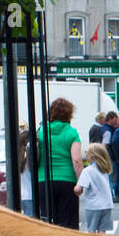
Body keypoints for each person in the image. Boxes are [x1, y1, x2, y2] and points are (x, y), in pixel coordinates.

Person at [36, 97, 84, 228]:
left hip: (44, 179)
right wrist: (82, 182)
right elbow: (76, 160)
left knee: (49, 221)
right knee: (69, 221)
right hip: (67, 180)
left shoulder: (41, 131)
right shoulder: (72, 132)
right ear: (69, 114)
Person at [75, 143, 115, 233]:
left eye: (87, 152)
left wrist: (75, 189)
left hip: (94, 206)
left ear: (93, 156)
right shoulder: (105, 170)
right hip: (107, 205)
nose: (85, 154)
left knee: (91, 231)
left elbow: (78, 189)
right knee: (102, 230)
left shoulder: (87, 171)